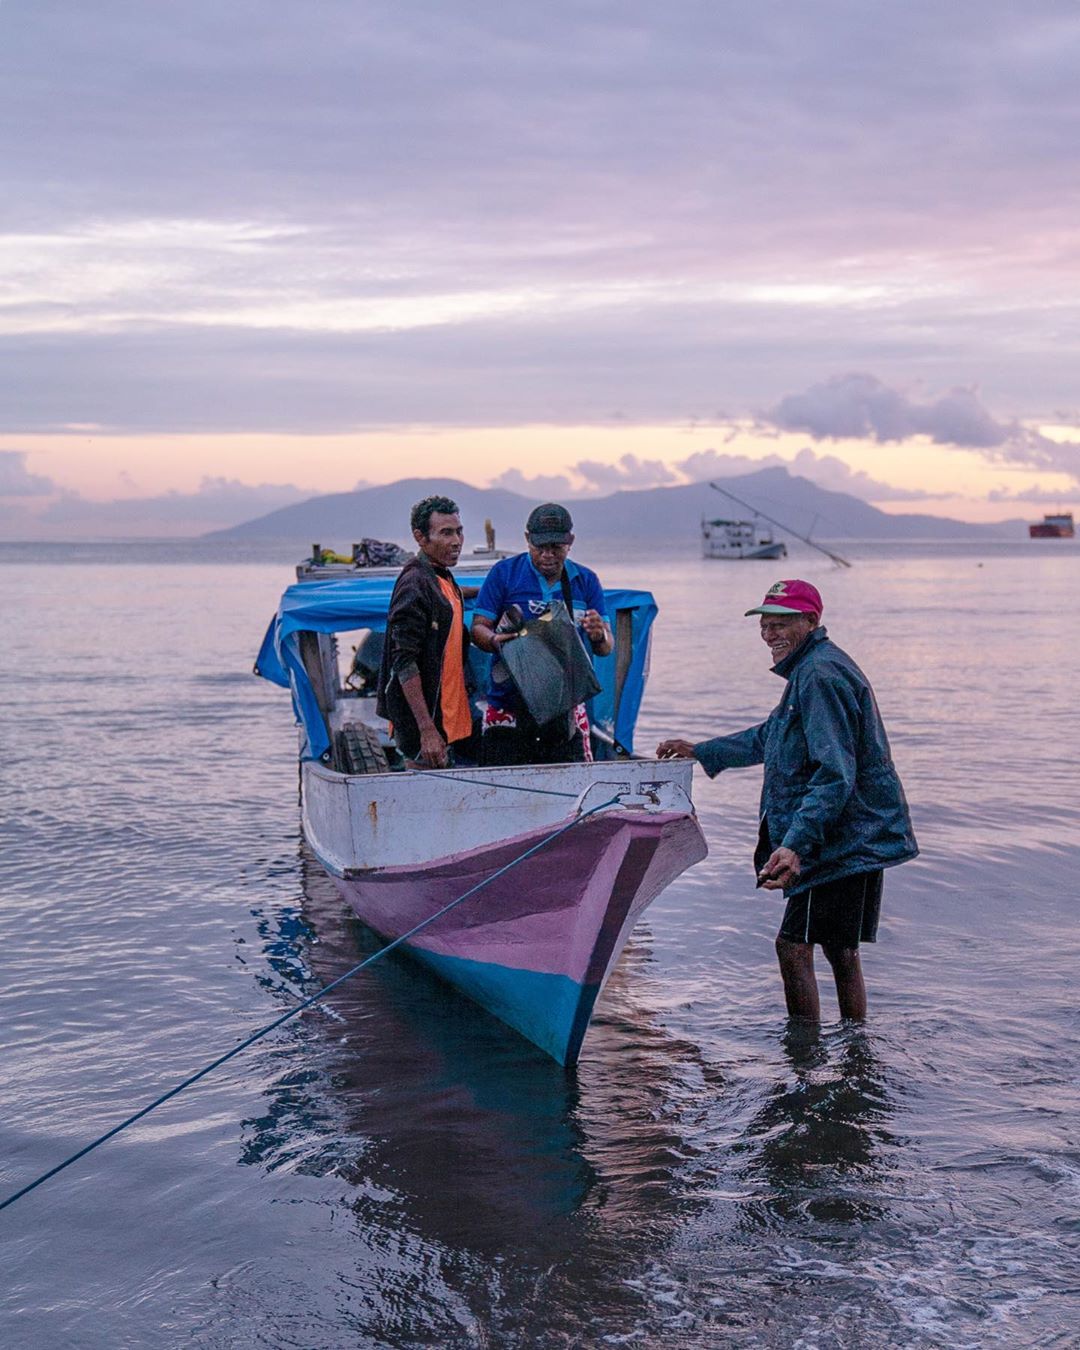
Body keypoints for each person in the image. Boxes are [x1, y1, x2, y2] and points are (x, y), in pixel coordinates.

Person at [657, 579, 917, 1022]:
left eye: (782, 625)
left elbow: (834, 775)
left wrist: (795, 845)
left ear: (812, 621)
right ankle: (854, 1052)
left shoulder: (819, 675)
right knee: (840, 948)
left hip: (842, 841)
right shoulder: (813, 668)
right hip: (854, 835)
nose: (769, 634)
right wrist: (703, 750)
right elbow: (772, 735)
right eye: (765, 625)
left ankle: (803, 1058)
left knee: (793, 946)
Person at [470, 503, 613, 765]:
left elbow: (606, 647)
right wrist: (493, 641)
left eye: (556, 548)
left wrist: (598, 634)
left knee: (573, 790)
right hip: (507, 704)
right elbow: (478, 627)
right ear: (527, 540)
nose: (547, 555)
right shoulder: (504, 574)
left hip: (565, 707)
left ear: (570, 542)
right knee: (500, 788)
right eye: (539, 548)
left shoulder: (586, 580)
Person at [376, 495, 472, 769]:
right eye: (445, 533)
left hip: (447, 717)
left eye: (459, 531)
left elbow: (446, 599)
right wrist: (426, 730)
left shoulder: (439, 575)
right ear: (420, 537)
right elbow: (404, 661)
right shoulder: (414, 584)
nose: (456, 541)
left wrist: (489, 592)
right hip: (424, 725)